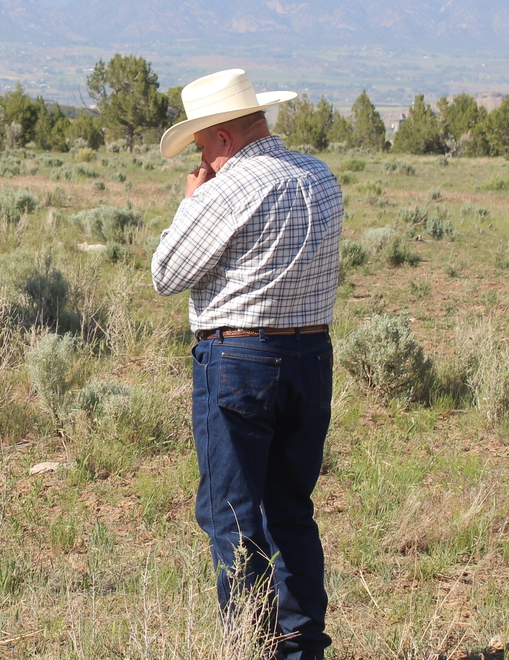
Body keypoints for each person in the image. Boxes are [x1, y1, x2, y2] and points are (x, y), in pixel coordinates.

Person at [150, 68, 343, 660]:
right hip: (310, 357)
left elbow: (167, 273)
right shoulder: (321, 176)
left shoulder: (229, 189)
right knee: (291, 507)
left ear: (225, 139)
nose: (204, 161)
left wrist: (192, 202)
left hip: (238, 360)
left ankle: (254, 648)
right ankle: (302, 645)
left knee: (231, 513)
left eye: (205, 147)